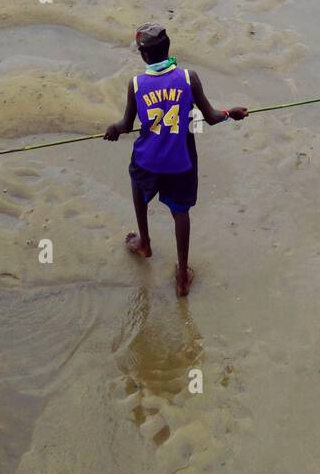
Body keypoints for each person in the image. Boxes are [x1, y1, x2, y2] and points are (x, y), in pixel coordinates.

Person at [105, 23, 247, 296]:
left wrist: (113, 129)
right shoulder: (188, 78)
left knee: (138, 186)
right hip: (181, 162)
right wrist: (232, 113)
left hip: (148, 160)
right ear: (168, 49)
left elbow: (125, 124)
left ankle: (144, 242)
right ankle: (182, 276)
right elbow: (212, 117)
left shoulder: (135, 84)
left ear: (144, 56)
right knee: (180, 213)